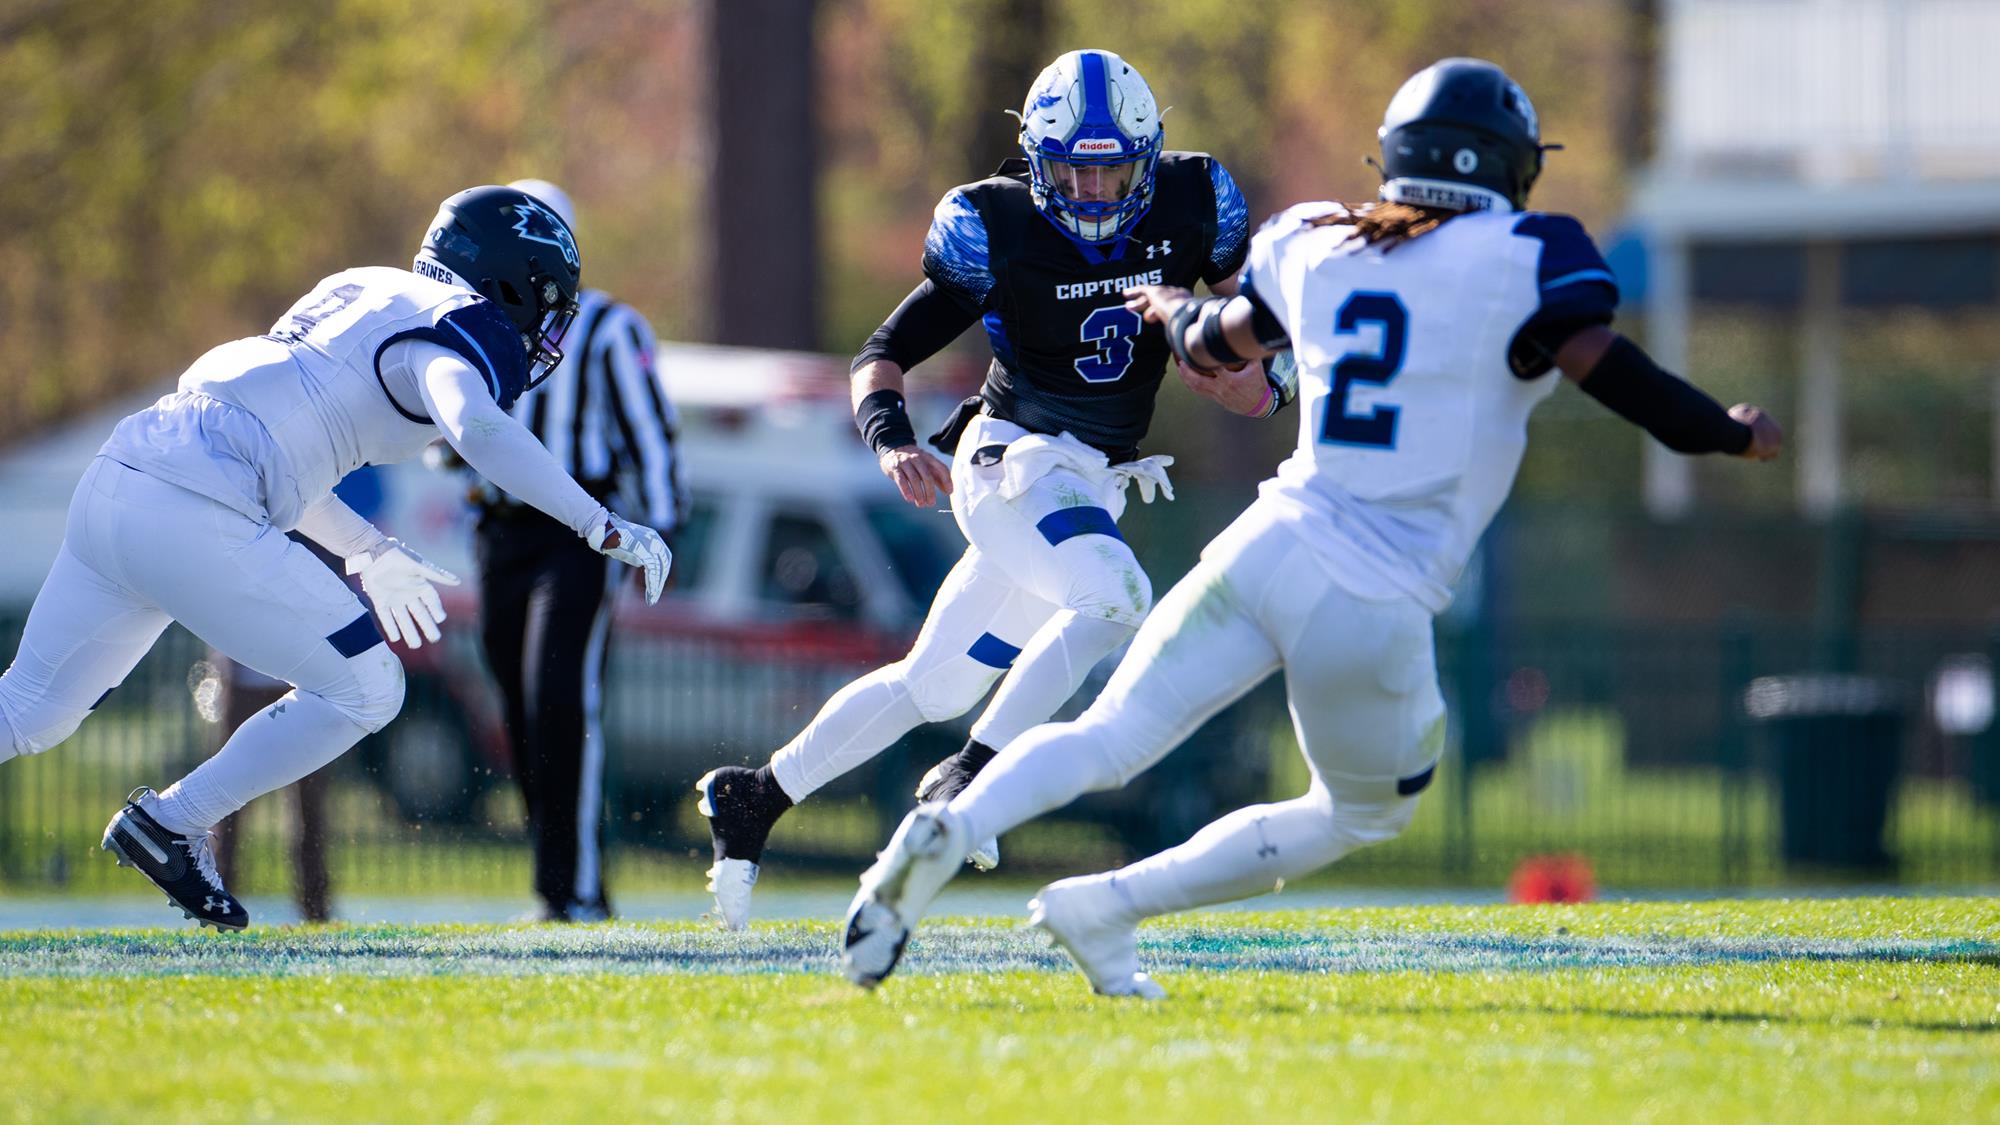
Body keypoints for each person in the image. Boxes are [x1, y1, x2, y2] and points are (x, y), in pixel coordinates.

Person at [840, 57, 1785, 995]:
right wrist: (1727, 431)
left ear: (1398, 159)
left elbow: (1215, 344)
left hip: (1268, 541)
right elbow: (1613, 372)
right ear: (1506, 165)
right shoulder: (1529, 256)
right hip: (1374, 588)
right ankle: (1108, 904)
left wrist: (1173, 307)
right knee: (1361, 813)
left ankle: (948, 824)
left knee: (1110, 732)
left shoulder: (1319, 240)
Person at [696, 48, 1290, 928]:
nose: (1092, 194)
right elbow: (882, 355)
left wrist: (1247, 377)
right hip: (1013, 463)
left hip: (1094, 480)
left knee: (929, 686)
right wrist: (893, 441)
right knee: (1118, 595)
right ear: (1038, 164)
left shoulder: (1194, 202)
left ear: (1149, 156)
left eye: (1112, 172)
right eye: (1073, 174)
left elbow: (1252, 357)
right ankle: (971, 774)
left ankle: (754, 796)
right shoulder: (996, 224)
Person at [0, 185, 671, 930]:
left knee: (27, 710)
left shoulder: (360, 287)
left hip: (123, 474)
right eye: (544, 301)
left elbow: (273, 448)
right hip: (196, 504)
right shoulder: (455, 326)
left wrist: (369, 546)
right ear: (509, 282)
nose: (546, 330)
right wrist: (598, 522)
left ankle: (173, 824)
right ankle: (173, 821)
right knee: (369, 687)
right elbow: (477, 428)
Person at [463, 178, 687, 923]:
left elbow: (651, 435)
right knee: (518, 705)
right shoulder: (472, 324)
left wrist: (663, 529)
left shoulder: (607, 327)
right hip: (499, 530)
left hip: (579, 532)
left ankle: (580, 889)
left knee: (561, 698)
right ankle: (554, 882)